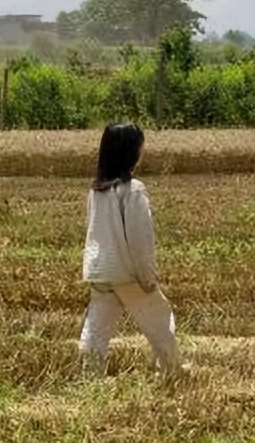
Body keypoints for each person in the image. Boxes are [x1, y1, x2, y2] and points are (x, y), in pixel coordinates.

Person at [78, 122, 180, 376]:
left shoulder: (96, 191)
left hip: (100, 270)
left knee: (96, 329)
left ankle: (89, 375)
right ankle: (171, 372)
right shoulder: (133, 190)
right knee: (159, 320)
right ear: (131, 152)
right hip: (128, 273)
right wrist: (147, 277)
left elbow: (93, 231)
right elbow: (139, 239)